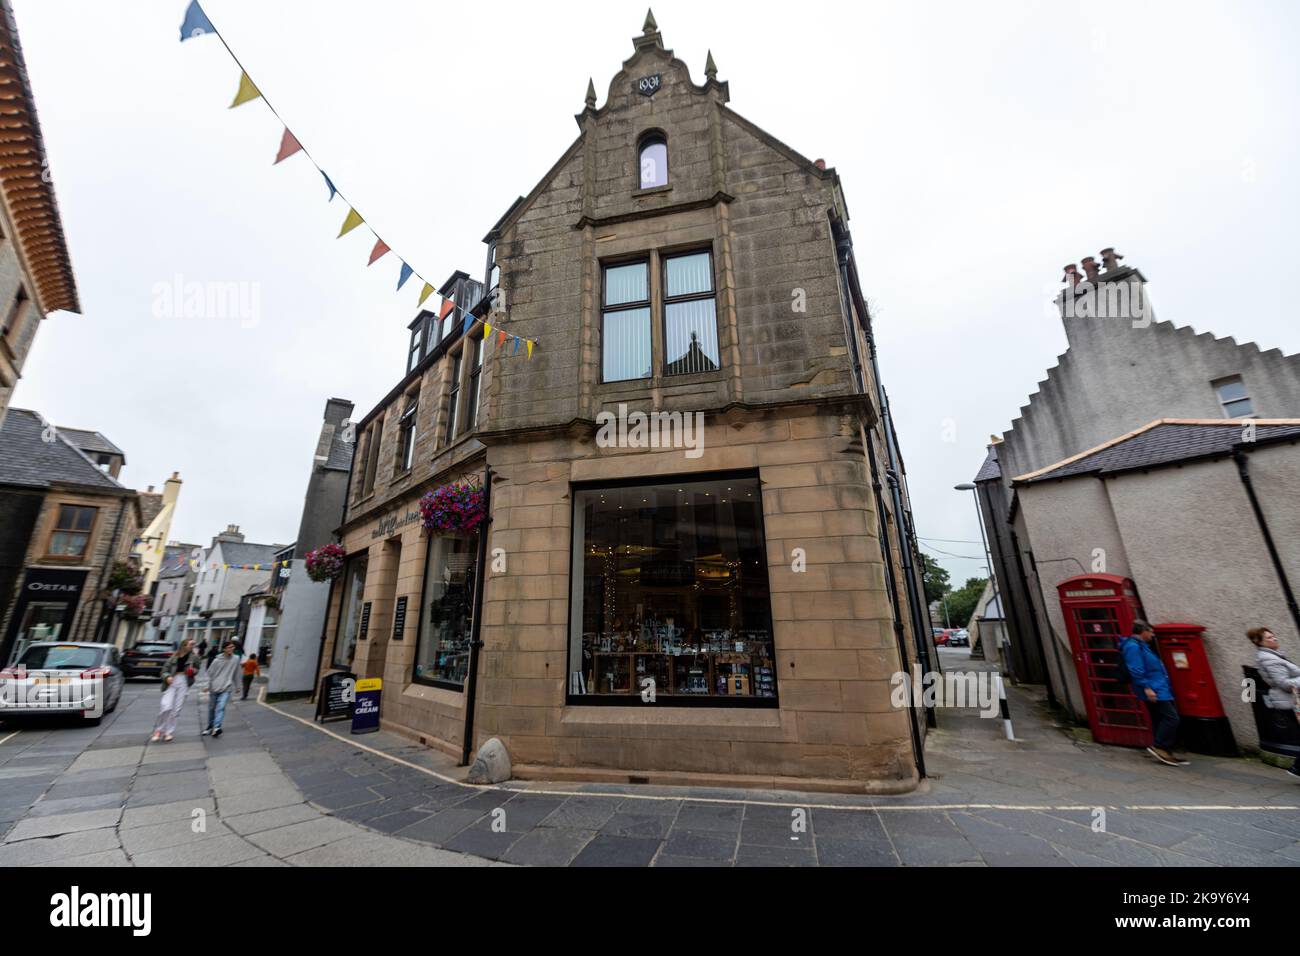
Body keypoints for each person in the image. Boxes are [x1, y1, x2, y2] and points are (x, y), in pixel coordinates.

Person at [1120, 620, 1188, 766]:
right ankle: (1159, 746)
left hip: (1159, 686)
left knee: (1159, 719)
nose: (1152, 634)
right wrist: (1147, 688)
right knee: (1172, 718)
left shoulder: (1142, 645)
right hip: (1153, 689)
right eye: (1150, 632)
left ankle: (1166, 752)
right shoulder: (1133, 646)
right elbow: (1136, 669)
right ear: (1143, 631)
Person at [1249, 626, 1300, 779]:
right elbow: (1283, 683)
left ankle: (1297, 769)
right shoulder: (1269, 659)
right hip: (1291, 703)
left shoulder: (1274, 656)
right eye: (1269, 638)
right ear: (1261, 643)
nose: (1274, 638)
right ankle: (1297, 769)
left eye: (1273, 636)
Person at [151, 638, 200, 743]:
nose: (193, 646)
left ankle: (168, 732)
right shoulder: (174, 657)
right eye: (191, 644)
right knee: (166, 706)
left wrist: (193, 671)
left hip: (184, 682)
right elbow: (164, 671)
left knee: (176, 710)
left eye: (193, 644)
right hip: (172, 681)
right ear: (184, 645)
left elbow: (197, 669)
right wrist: (167, 677)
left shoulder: (194, 657)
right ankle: (158, 730)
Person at [203, 641, 239, 738]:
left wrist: (237, 686)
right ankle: (210, 727)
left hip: (226, 687)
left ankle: (217, 727)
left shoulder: (236, 659)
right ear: (224, 649)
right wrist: (206, 686)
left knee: (221, 707)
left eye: (232, 647)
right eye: (229, 647)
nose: (231, 649)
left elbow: (236, 672)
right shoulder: (216, 660)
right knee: (212, 708)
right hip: (214, 687)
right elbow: (208, 674)